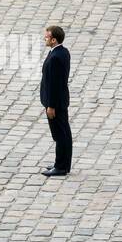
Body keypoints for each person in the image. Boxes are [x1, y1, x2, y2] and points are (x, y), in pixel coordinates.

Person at [39, 25, 72, 178]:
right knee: (64, 132)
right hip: (61, 100)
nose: (44, 39)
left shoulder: (55, 58)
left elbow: (54, 84)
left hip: (56, 103)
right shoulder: (62, 52)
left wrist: (50, 105)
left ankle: (60, 167)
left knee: (60, 135)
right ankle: (64, 164)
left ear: (53, 40)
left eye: (47, 37)